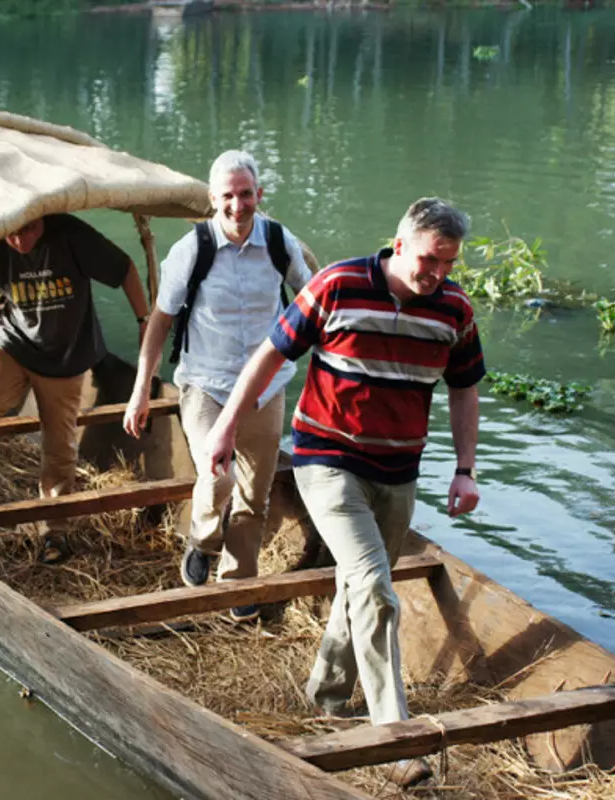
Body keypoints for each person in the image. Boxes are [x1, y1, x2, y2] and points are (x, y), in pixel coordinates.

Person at [204, 197, 485, 788]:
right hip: (327, 461)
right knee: (376, 589)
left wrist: (466, 468)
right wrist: (227, 423)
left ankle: (328, 695)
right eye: (431, 259)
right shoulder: (339, 284)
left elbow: (464, 389)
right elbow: (269, 352)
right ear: (401, 243)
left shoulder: (454, 310)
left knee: (358, 585)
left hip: (399, 470)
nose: (438, 273)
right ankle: (395, 741)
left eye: (449, 264)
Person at [122, 150, 311, 621]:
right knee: (218, 474)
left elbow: (312, 301)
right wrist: (141, 387)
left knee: (255, 492)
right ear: (212, 199)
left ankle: (238, 580)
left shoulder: (279, 242)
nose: (237, 205)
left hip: (265, 387)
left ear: (259, 195)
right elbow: (161, 322)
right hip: (206, 383)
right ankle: (203, 539)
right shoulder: (192, 250)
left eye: (246, 194)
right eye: (227, 195)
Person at [0, 214, 151, 564]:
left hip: (67, 358)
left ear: (43, 219)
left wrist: (145, 319)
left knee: (59, 445)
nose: (21, 242)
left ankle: (54, 531)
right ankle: (4, 388)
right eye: (13, 234)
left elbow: (125, 269)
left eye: (29, 230)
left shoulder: (72, 234)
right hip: (14, 345)